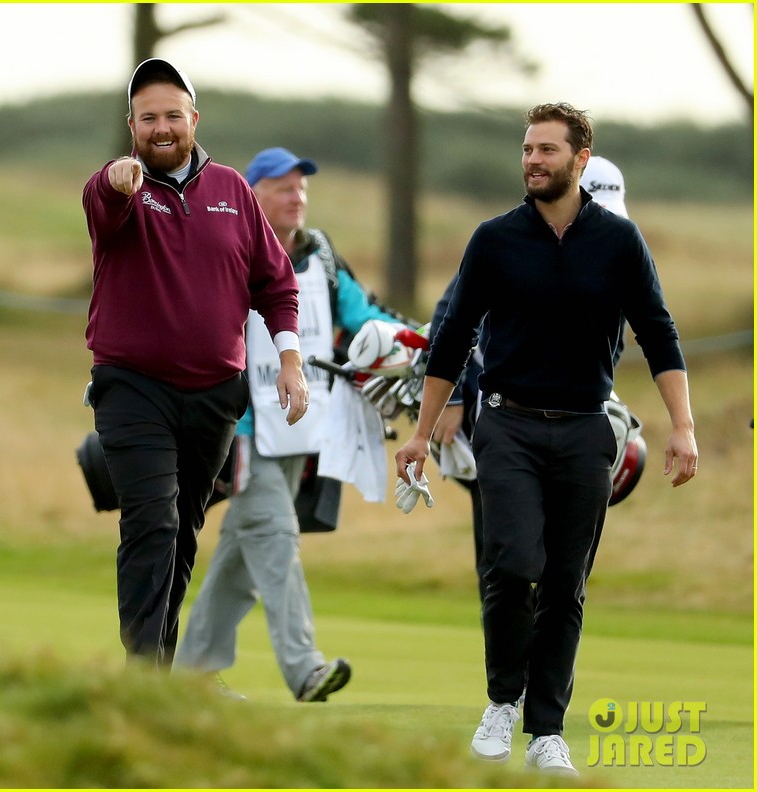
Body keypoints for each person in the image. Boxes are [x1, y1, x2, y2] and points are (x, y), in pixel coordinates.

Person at [395, 103, 698, 775]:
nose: (533, 160)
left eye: (547, 151)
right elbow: (451, 337)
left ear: (580, 160)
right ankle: (503, 702)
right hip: (507, 424)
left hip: (589, 429)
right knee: (512, 564)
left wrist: (683, 426)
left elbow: (658, 331)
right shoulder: (495, 238)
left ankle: (546, 732)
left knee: (566, 582)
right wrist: (421, 433)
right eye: (528, 149)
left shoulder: (617, 242)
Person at [83, 60, 308, 669]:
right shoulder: (117, 187)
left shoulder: (232, 191)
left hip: (215, 396)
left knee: (182, 530)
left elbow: (276, 285)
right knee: (151, 520)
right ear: (131, 125)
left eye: (172, 116)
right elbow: (105, 205)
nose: (162, 128)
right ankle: (144, 672)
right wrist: (117, 182)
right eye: (148, 117)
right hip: (133, 388)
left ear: (193, 119)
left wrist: (289, 358)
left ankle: (160, 661)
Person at [174, 147, 406, 701]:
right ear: (251, 194)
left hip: (303, 426)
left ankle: (185, 679)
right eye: (282, 186)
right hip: (243, 429)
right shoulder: (227, 248)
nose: (296, 196)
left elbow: (362, 315)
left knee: (244, 553)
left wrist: (414, 341)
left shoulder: (320, 254)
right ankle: (305, 670)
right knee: (274, 538)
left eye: (301, 187)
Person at [429, 152, 634, 605]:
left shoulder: (617, 249)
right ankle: (508, 666)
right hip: (500, 416)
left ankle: (540, 669)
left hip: (573, 426)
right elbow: (451, 320)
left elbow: (616, 343)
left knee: (561, 568)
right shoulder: (505, 242)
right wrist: (456, 400)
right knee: (508, 559)